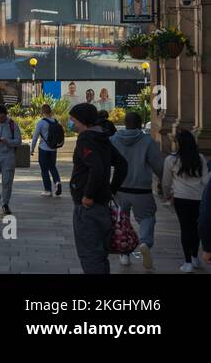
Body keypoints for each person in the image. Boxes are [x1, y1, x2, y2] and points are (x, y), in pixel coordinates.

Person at [68, 103, 127, 275]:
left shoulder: (86, 139)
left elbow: (97, 167)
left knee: (90, 254)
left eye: (73, 120)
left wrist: (88, 194)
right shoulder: (102, 138)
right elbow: (122, 164)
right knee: (100, 254)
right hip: (102, 205)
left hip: (88, 207)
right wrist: (111, 189)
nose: (71, 123)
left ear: (83, 121)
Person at [111, 111, 163, 269]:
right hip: (142, 189)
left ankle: (124, 255)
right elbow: (159, 165)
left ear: (125, 123)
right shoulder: (148, 141)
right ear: (141, 124)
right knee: (147, 217)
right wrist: (163, 181)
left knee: (122, 221)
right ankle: (145, 243)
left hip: (120, 188)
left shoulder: (113, 140)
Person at [160, 128, 210, 272]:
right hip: (198, 198)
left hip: (181, 198)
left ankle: (187, 261)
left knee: (185, 229)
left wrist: (167, 194)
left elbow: (166, 182)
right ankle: (195, 257)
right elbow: (206, 180)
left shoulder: (171, 160)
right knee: (196, 229)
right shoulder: (200, 158)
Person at [29, 103, 64, 198]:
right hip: (53, 149)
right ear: (50, 111)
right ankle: (57, 182)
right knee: (53, 167)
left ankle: (48, 190)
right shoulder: (56, 121)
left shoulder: (41, 123)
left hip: (43, 149)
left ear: (42, 112)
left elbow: (35, 136)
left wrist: (32, 149)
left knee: (44, 169)